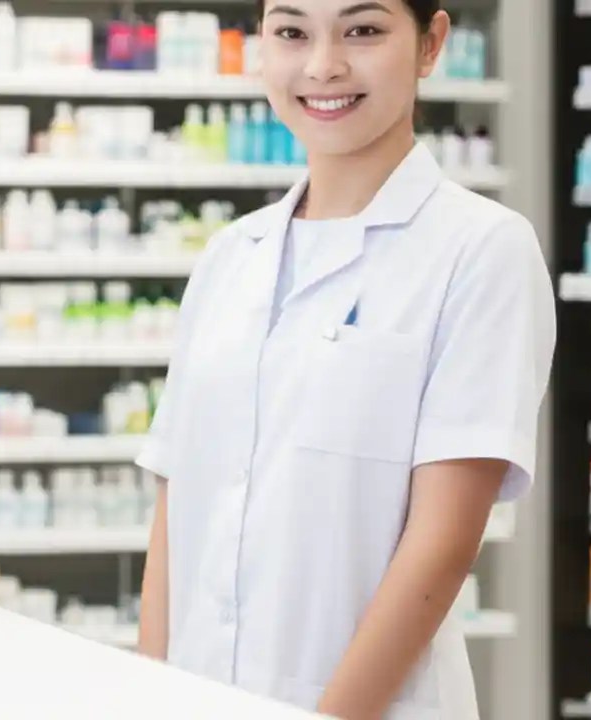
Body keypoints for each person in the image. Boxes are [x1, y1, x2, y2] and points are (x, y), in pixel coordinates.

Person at [135, 1, 555, 718]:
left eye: (362, 30)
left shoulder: (482, 250)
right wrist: (148, 698)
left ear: (430, 44)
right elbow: (177, 507)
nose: (323, 65)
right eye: (292, 32)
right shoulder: (231, 256)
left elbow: (442, 543)